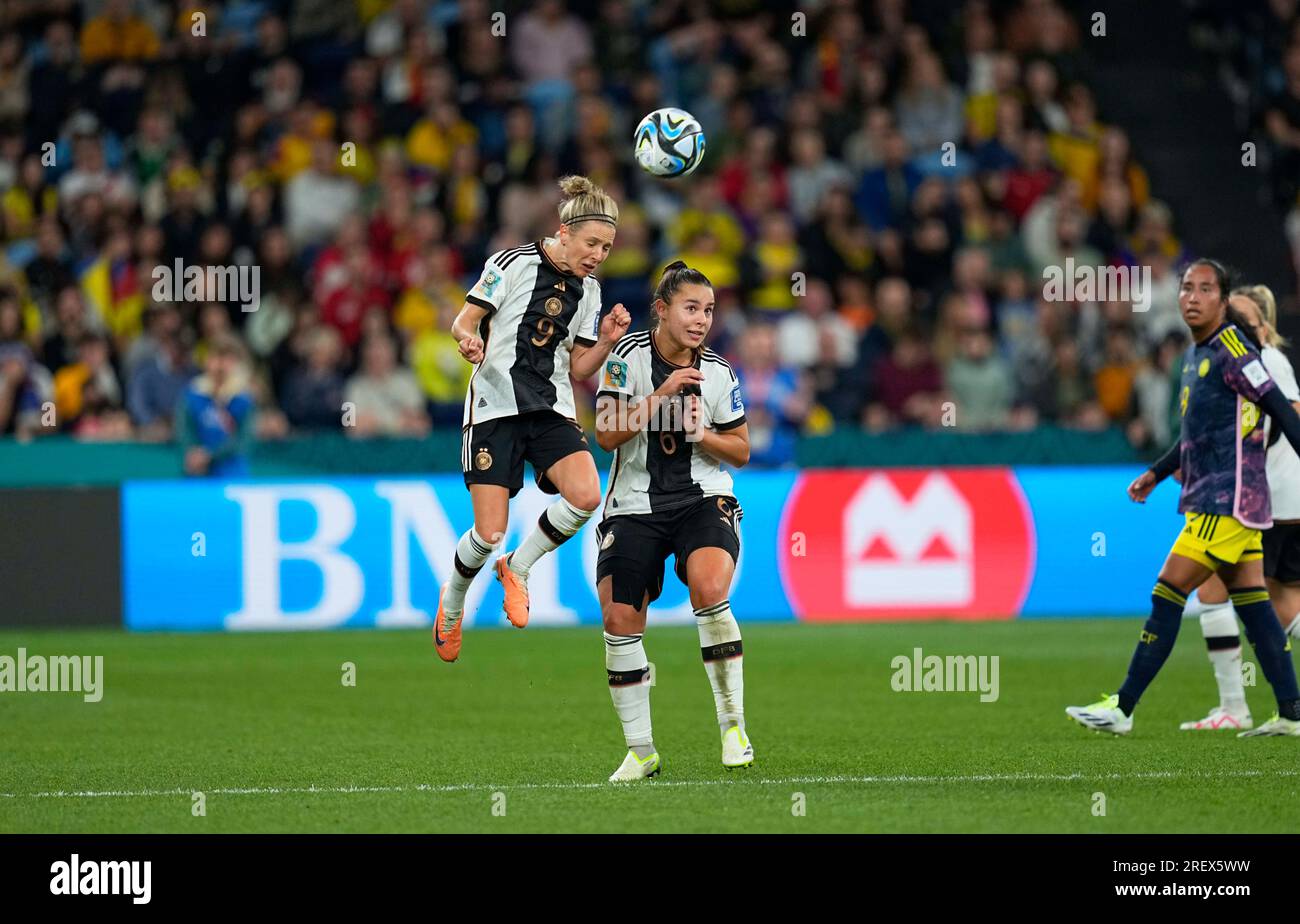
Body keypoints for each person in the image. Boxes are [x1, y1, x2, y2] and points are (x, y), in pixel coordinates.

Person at [1068, 260, 1300, 737]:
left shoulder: (1235, 350)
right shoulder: (1196, 355)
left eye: (1205, 289)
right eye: (1186, 288)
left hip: (1228, 500)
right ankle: (1292, 713)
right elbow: (1197, 434)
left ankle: (1123, 707)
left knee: (1168, 589)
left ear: (1223, 299)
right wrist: (1158, 472)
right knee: (1256, 606)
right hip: (1216, 496)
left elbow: (1279, 406)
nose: (1192, 297)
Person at [434, 175, 631, 662]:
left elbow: (580, 367)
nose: (598, 255)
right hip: (495, 408)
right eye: (592, 243)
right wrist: (468, 339)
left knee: (587, 495)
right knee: (488, 532)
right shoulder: (513, 263)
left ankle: (517, 568)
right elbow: (465, 319)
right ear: (564, 232)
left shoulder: (590, 293)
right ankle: (454, 602)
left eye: (606, 247)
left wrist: (605, 340)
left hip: (551, 408)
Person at [593, 261, 752, 781]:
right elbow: (608, 434)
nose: (702, 319)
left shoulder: (721, 373)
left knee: (709, 588)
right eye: (691, 308)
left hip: (702, 499)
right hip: (634, 505)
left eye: (708, 309)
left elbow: (742, 451)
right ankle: (641, 750)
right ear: (661, 310)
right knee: (620, 621)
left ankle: (733, 726)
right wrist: (661, 396)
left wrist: (701, 435)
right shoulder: (625, 359)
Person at [1180, 284, 1300, 730]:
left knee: (1210, 591)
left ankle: (1234, 706)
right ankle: (1261, 708)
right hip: (1275, 498)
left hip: (1268, 499)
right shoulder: (1255, 360)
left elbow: (1284, 418)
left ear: (1263, 325)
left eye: (1242, 319)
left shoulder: (1267, 362)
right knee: (1283, 603)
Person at [176, 334, 255, 477]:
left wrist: (209, 455)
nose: (220, 365)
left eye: (227, 358)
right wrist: (192, 453)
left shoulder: (244, 398)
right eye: (216, 356)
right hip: (197, 474)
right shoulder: (193, 394)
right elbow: (184, 431)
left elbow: (243, 439)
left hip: (233, 475)